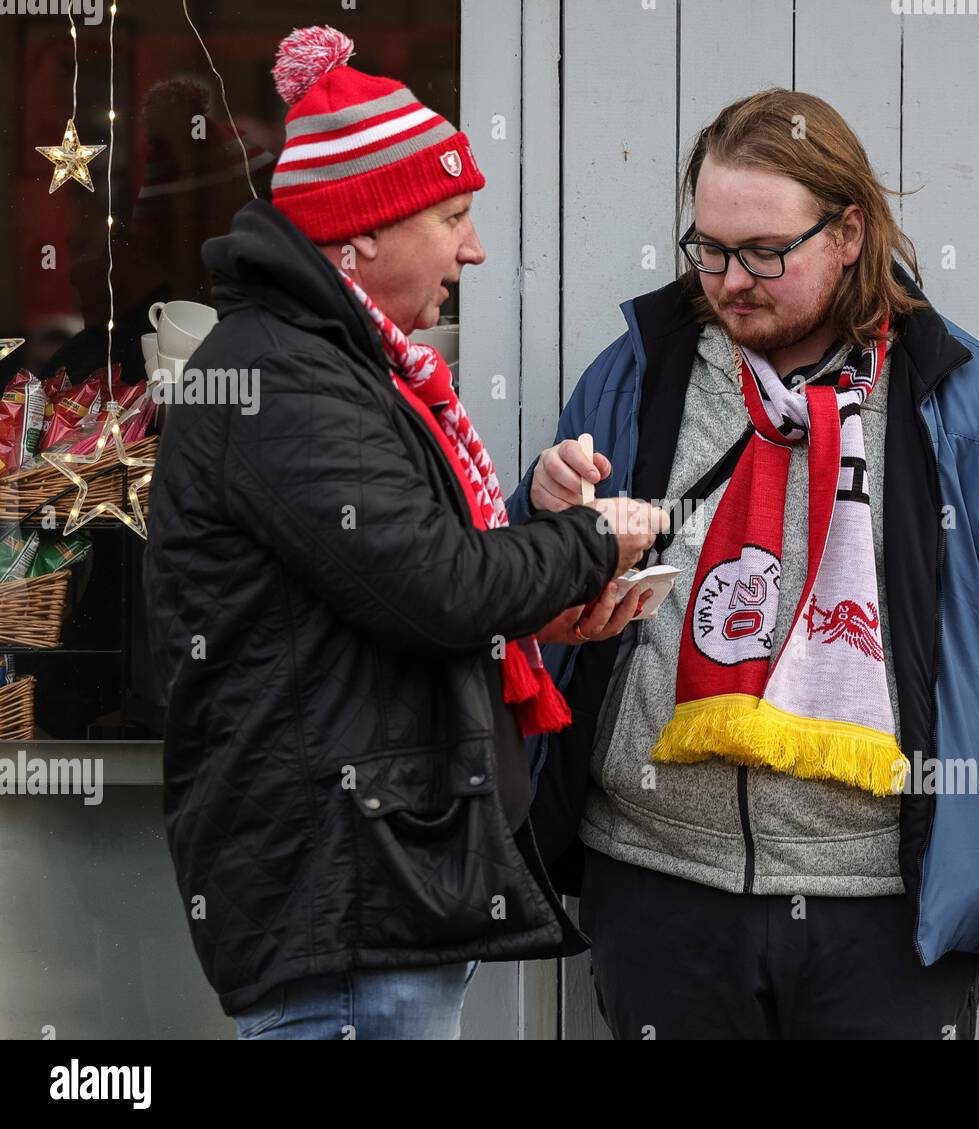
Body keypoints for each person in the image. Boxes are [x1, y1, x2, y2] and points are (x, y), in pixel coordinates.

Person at [508, 88, 979, 1040]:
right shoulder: (640, 370)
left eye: (763, 253)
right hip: (660, 881)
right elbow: (531, 591)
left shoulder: (965, 402)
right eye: (707, 248)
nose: (730, 280)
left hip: (882, 904)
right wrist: (538, 513)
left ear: (849, 232)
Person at [143, 26, 665, 1040]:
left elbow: (385, 582)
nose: (473, 248)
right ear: (362, 236)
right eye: (455, 216)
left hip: (372, 893)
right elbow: (431, 583)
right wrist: (591, 539)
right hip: (348, 906)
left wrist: (536, 545)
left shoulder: (322, 365)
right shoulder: (289, 382)